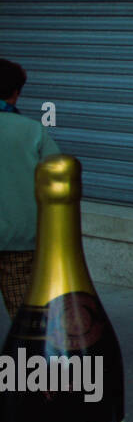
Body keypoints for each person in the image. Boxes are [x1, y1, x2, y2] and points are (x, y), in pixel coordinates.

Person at [0, 60, 61, 318]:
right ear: (16, 92)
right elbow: (58, 176)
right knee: (23, 314)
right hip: (20, 238)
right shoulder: (33, 130)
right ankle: (26, 358)